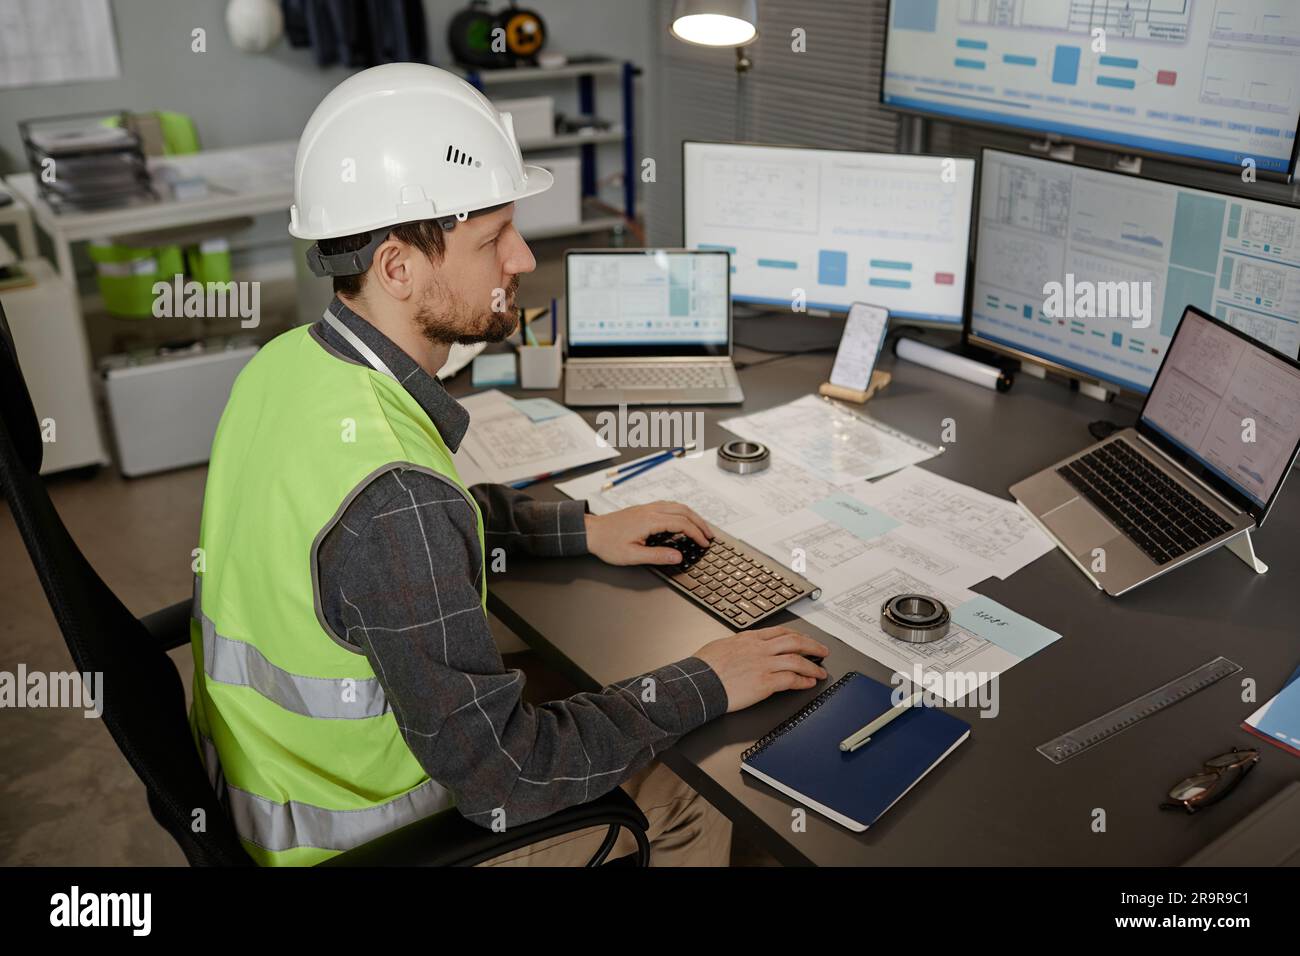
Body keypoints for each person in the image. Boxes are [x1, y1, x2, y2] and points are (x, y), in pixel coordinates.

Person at [187, 63, 828, 867]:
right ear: (396, 266)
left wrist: (583, 528)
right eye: (493, 238)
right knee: (702, 785)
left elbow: (413, 520)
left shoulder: (286, 367)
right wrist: (706, 678)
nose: (523, 259)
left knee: (576, 682)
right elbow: (508, 775)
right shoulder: (396, 505)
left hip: (273, 780)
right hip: (368, 840)